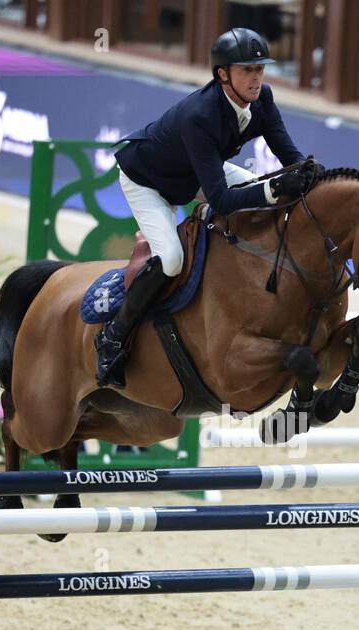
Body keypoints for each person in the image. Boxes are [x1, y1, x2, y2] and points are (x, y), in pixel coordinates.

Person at [98, 27, 318, 388]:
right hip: (148, 181)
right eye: (247, 70)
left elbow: (289, 156)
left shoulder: (263, 100)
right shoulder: (199, 114)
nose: (256, 77)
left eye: (260, 69)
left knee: (261, 192)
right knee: (170, 258)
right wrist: (274, 187)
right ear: (222, 75)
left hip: (196, 171)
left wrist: (310, 173)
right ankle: (114, 336)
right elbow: (220, 201)